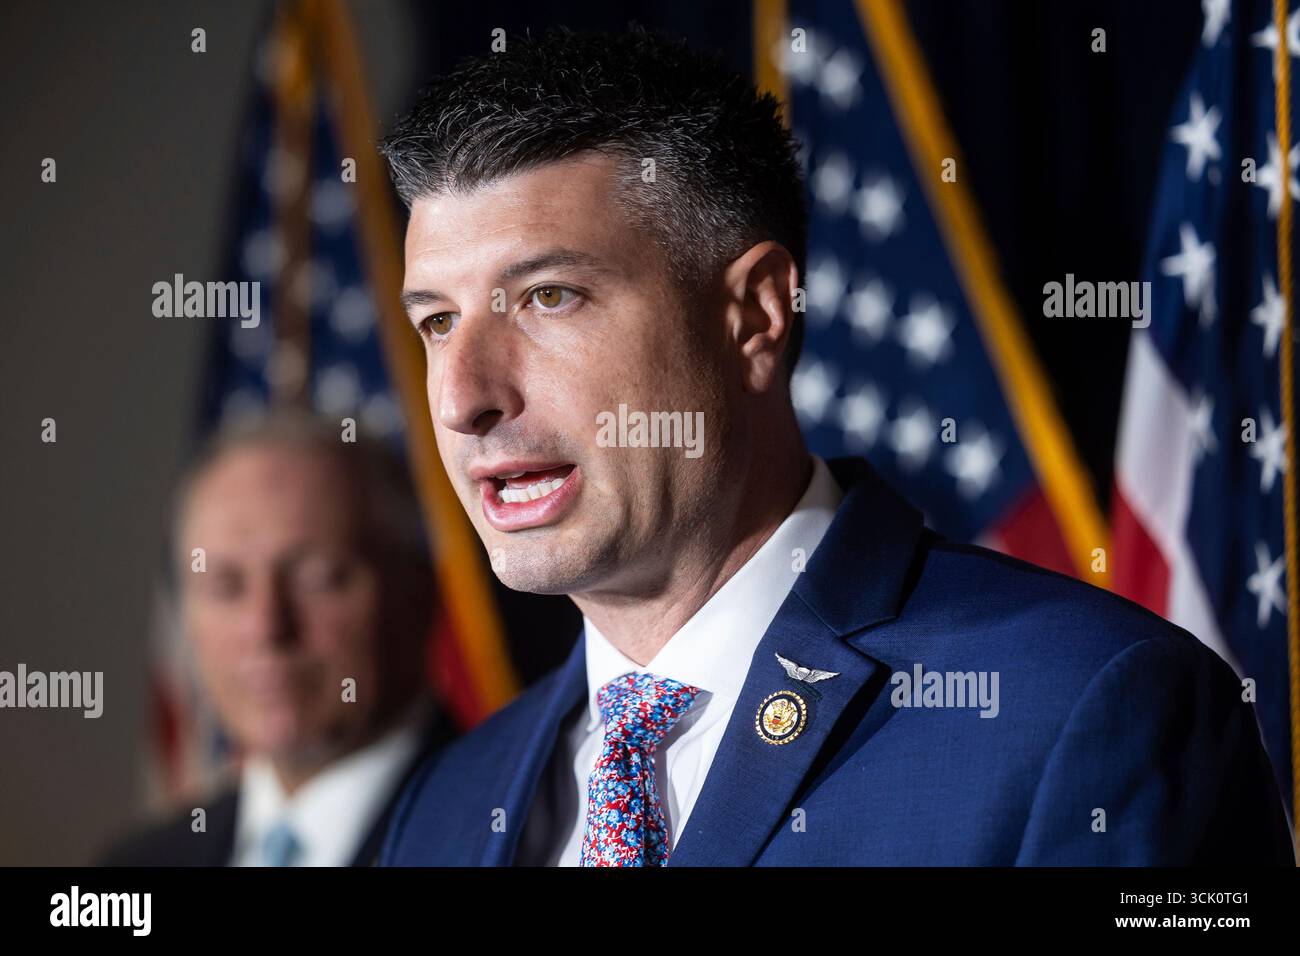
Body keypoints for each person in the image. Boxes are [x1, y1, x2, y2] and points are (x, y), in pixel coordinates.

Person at [377, 27, 1293, 866]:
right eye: (438, 323)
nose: (463, 399)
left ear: (755, 315)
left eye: (547, 298)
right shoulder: (446, 809)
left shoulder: (1086, 711)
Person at [100, 414, 456, 866]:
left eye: (317, 578)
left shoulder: (519, 833)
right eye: (226, 586)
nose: (265, 628)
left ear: (418, 592)